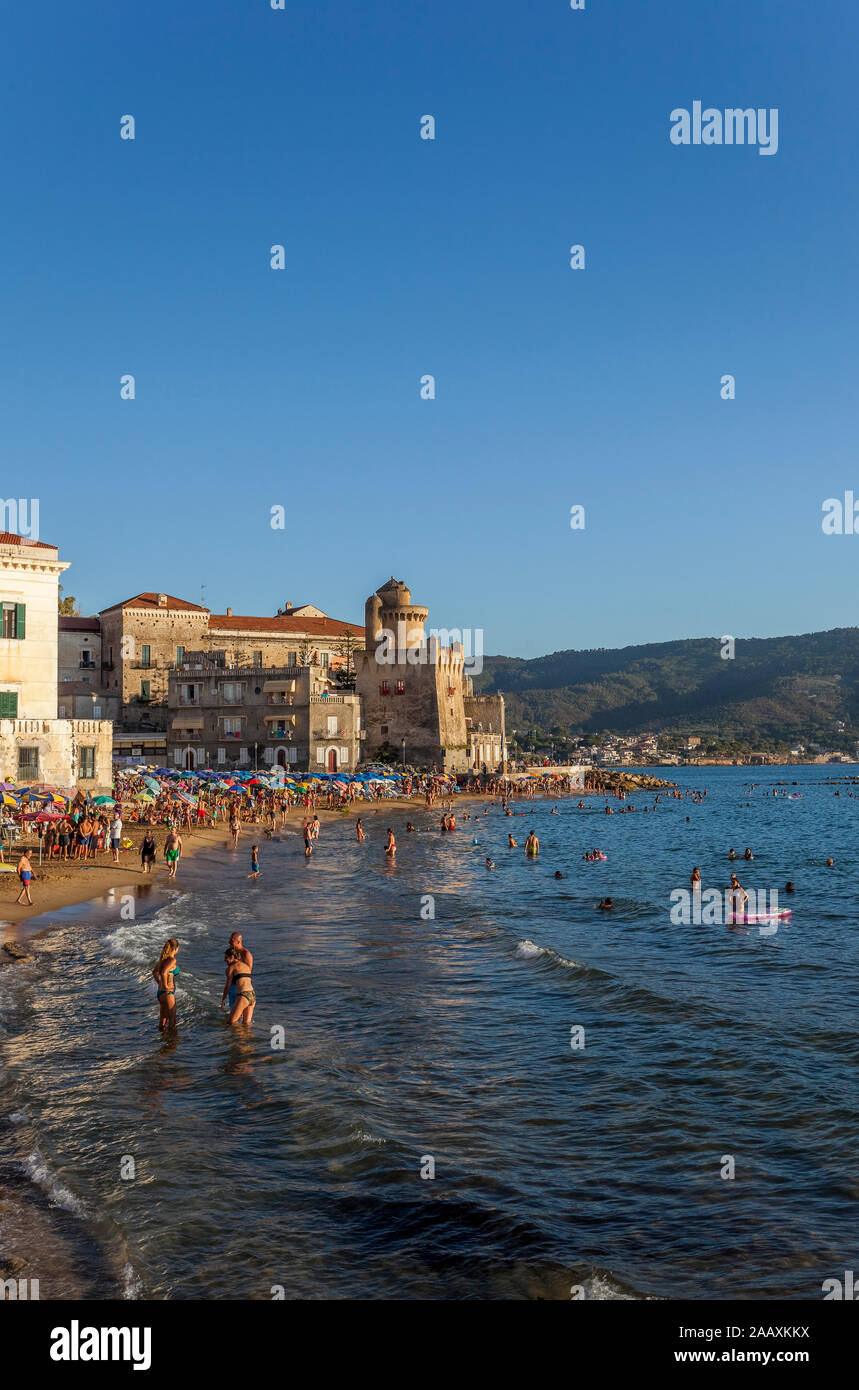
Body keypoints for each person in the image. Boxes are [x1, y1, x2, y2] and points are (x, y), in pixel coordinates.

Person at [223, 949, 256, 1026]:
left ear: (232, 957)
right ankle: (246, 1037)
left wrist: (223, 999)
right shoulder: (246, 966)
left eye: (226, 958)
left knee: (231, 1022)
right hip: (252, 995)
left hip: (243, 995)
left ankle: (237, 1037)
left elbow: (228, 986)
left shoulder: (231, 968)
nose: (224, 960)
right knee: (246, 1024)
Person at [153, 938, 179, 1031]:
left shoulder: (163, 959)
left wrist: (160, 983)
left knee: (163, 1020)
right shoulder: (172, 960)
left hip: (160, 993)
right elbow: (164, 973)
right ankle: (171, 1043)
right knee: (172, 1021)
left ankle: (162, 1040)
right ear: (176, 948)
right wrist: (166, 986)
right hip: (168, 993)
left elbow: (154, 972)